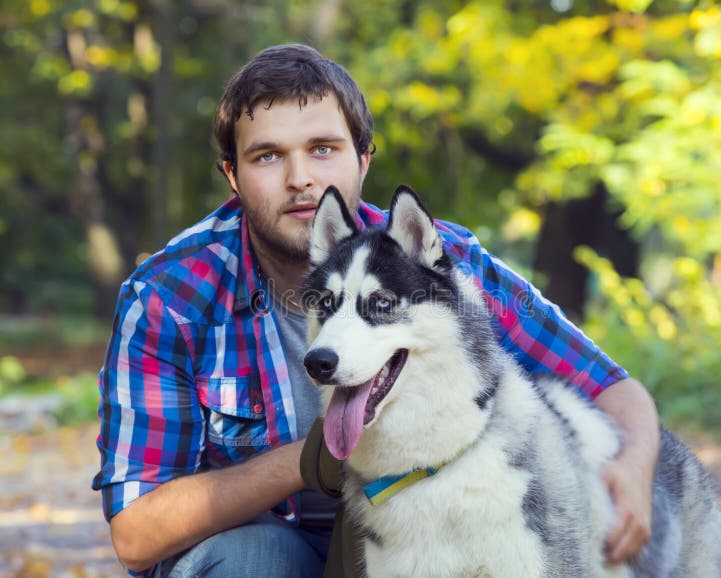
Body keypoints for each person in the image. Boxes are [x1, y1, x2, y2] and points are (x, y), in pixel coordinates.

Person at [93, 43, 659, 577]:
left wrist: (634, 468)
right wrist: (310, 461)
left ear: (363, 159)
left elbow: (608, 384)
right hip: (273, 554)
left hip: (427, 537)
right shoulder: (172, 297)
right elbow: (136, 532)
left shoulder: (439, 262)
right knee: (255, 557)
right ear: (232, 176)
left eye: (323, 149)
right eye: (268, 156)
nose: (300, 179)